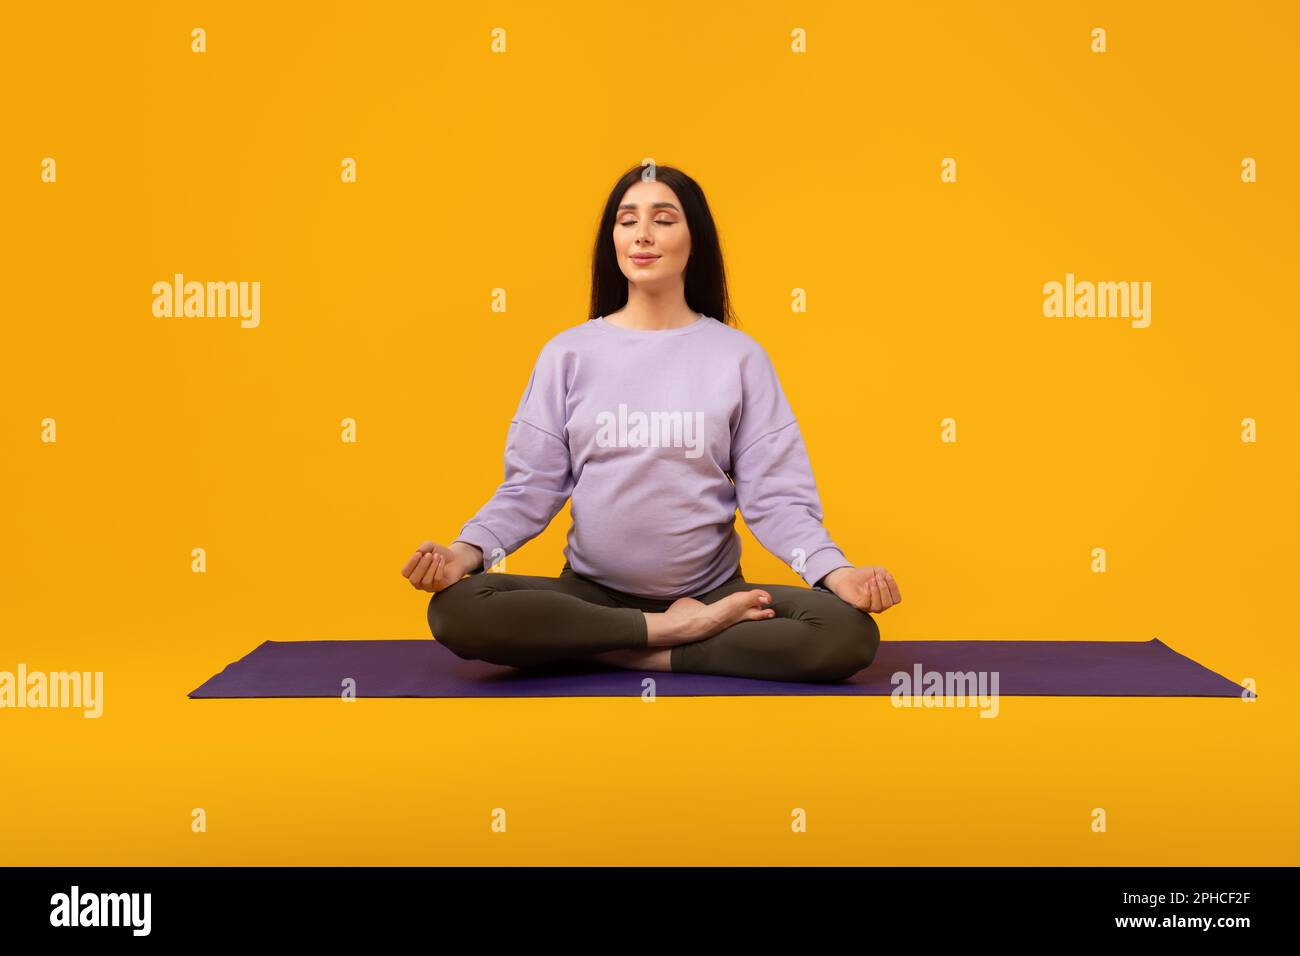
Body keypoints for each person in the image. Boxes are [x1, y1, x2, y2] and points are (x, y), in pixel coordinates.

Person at [401, 164, 901, 682]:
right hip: (591, 596)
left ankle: (608, 648)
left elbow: (776, 499)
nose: (642, 234)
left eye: (663, 219)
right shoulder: (568, 353)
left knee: (846, 634)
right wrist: (466, 551)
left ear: (694, 240)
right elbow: (531, 488)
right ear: (612, 239)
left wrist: (835, 572)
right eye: (626, 220)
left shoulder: (738, 356)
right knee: (456, 609)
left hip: (713, 594)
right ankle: (670, 634)